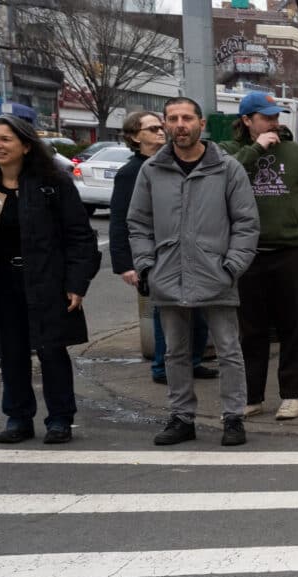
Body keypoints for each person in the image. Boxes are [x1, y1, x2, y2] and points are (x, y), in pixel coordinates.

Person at [0, 114, 99, 444]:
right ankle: (18, 417)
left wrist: (77, 283)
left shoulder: (53, 183)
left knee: (51, 349)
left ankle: (60, 418)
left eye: (5, 139)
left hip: (47, 280)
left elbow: (79, 236)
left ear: (26, 146)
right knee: (10, 351)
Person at [127, 96, 260, 447]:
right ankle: (181, 417)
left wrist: (232, 266)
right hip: (167, 274)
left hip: (216, 272)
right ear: (166, 124)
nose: (180, 124)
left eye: (187, 118)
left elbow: (246, 223)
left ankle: (233, 417)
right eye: (173, 118)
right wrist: (146, 264)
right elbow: (138, 223)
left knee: (229, 349)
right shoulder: (152, 170)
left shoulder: (227, 168)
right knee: (174, 351)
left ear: (201, 124)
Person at [223, 92, 298, 421]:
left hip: (290, 250)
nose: (273, 122)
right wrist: (256, 150)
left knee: (292, 327)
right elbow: (224, 180)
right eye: (265, 117)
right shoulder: (230, 152)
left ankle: (292, 394)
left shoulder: (296, 153)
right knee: (251, 331)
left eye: (275, 116)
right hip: (248, 253)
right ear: (247, 121)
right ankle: (252, 395)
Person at [110, 110, 218, 386]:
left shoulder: (172, 163)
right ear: (135, 137)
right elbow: (124, 220)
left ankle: (192, 361)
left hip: (190, 254)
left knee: (198, 312)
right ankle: (162, 366)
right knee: (164, 315)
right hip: (157, 257)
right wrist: (127, 264)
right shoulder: (132, 172)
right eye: (152, 128)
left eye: (160, 127)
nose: (160, 132)